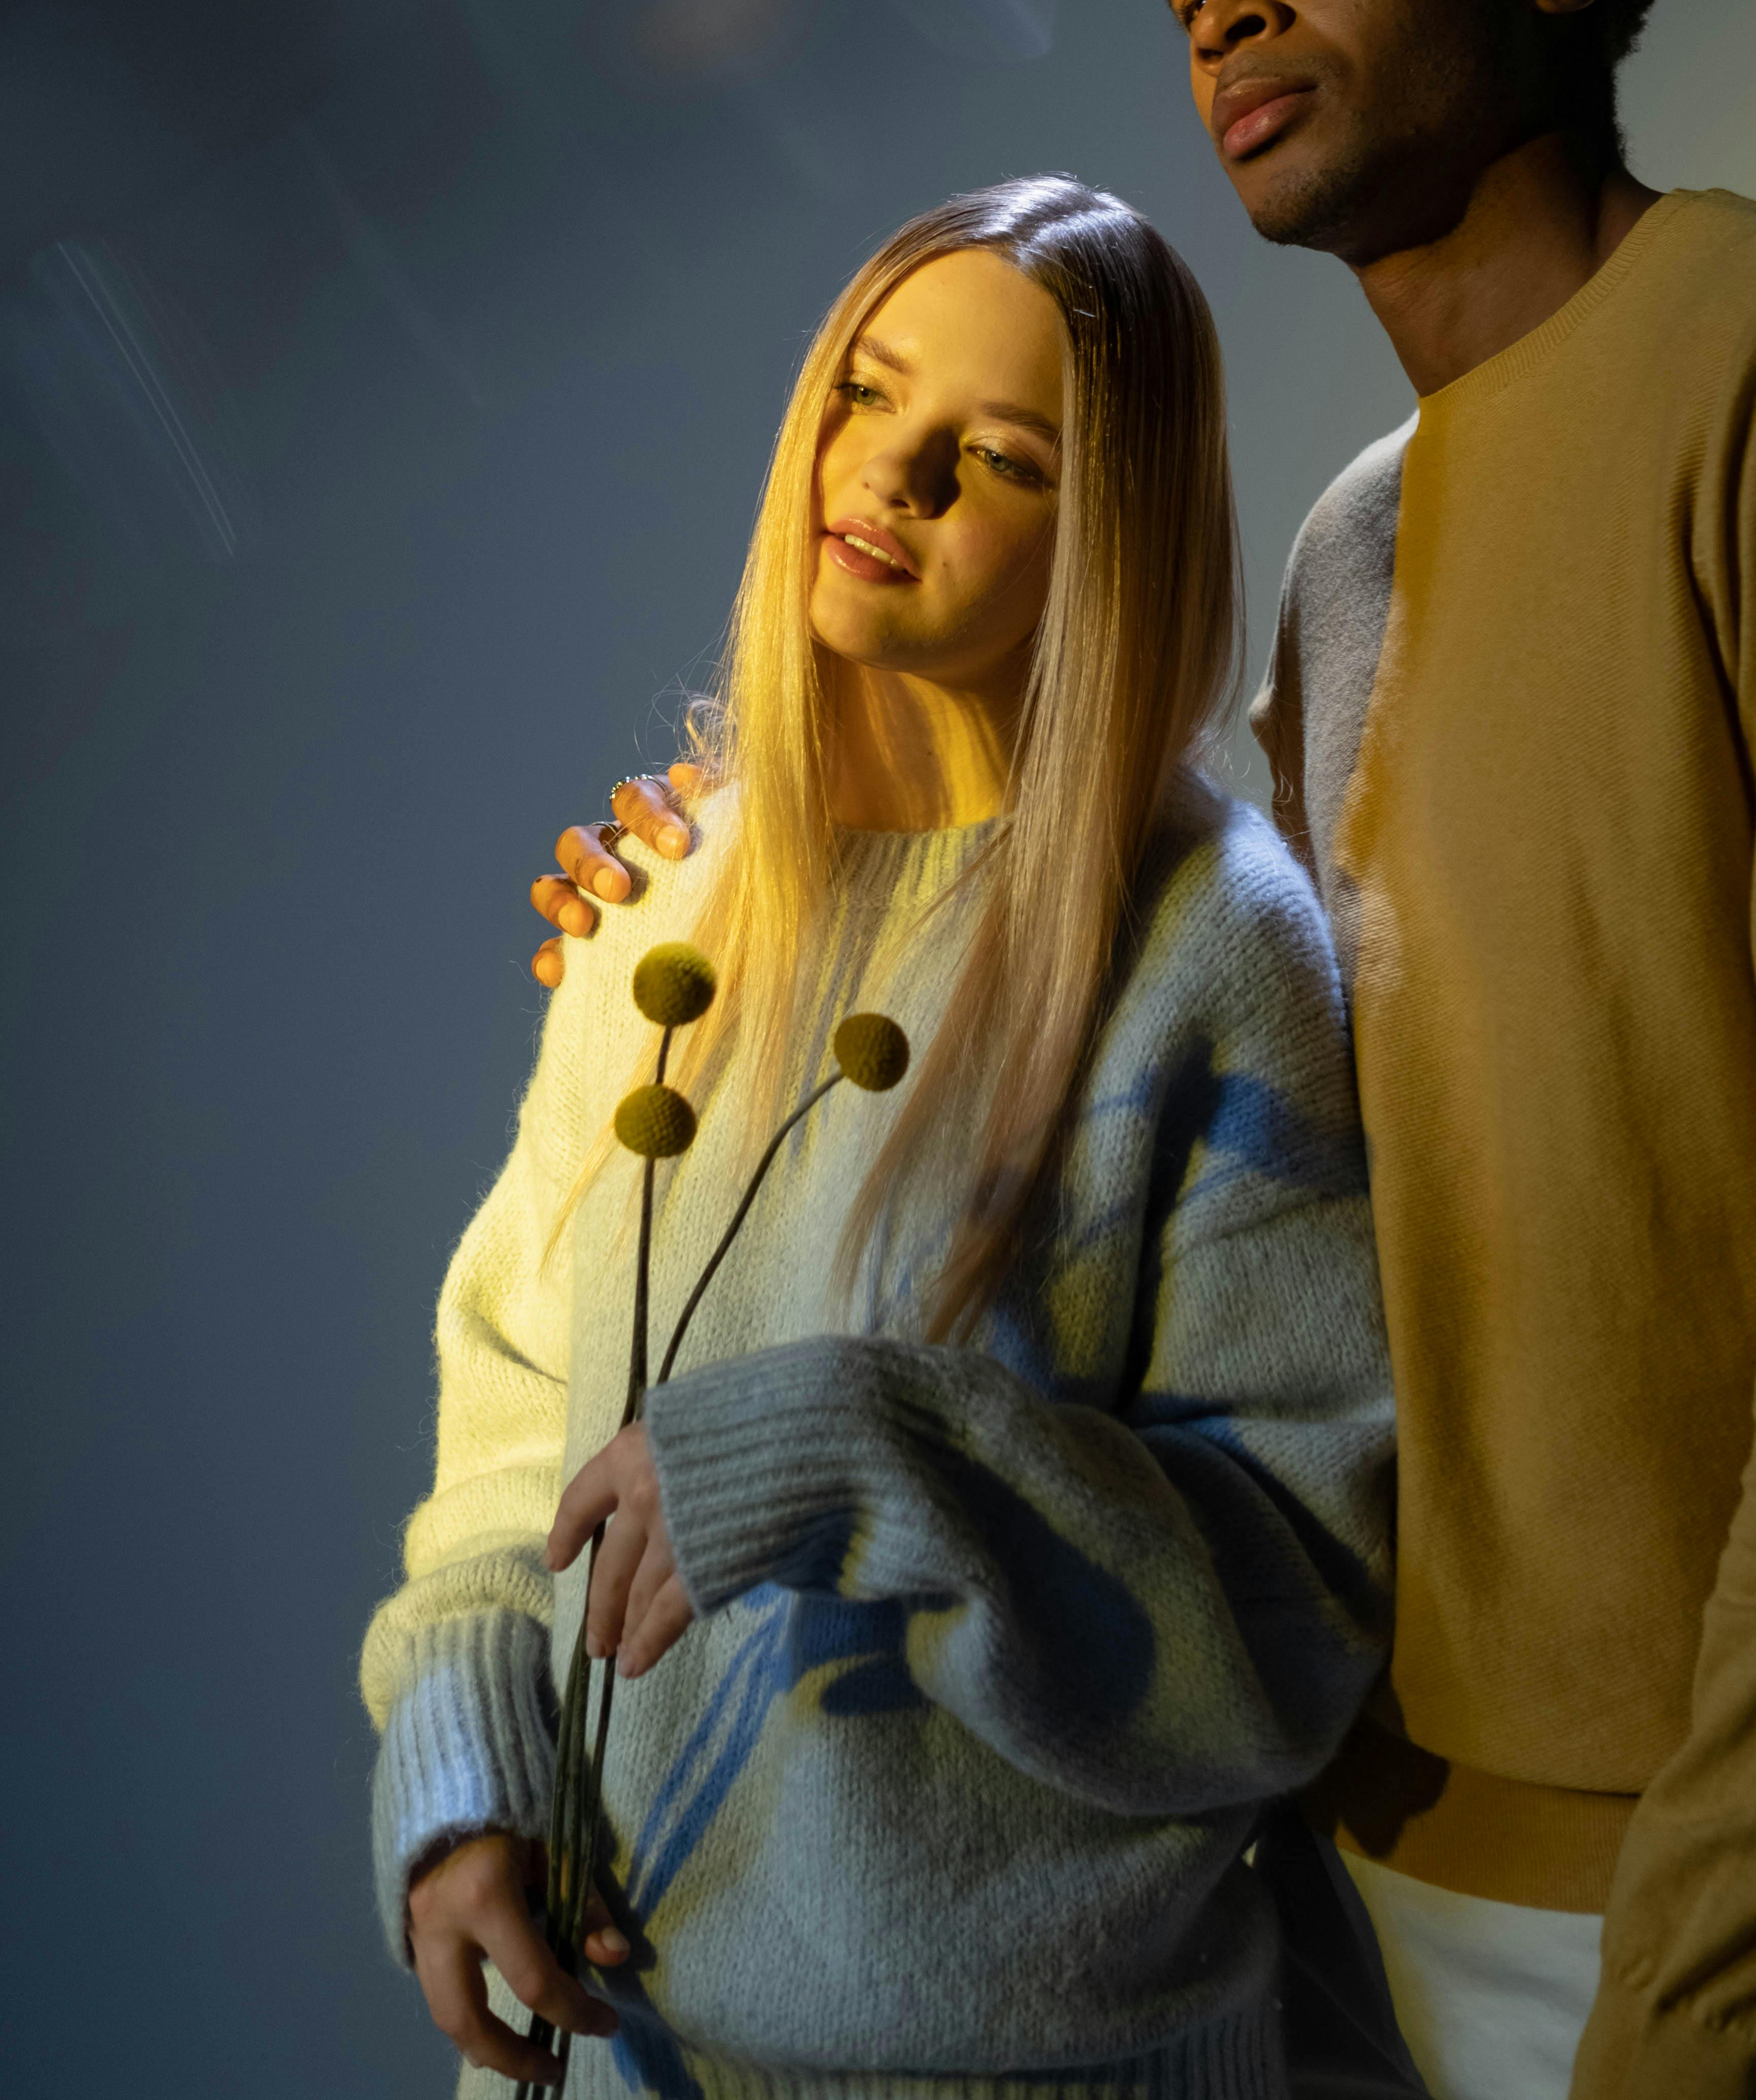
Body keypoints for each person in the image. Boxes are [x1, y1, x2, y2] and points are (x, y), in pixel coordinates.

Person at [542, 0, 1756, 2100]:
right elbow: (1231, 1113)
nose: (1228, 11)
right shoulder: (1350, 556)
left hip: (1749, 1905)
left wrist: (1719, 1943)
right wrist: (732, 880)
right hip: (1367, 1890)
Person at [363, 174, 1399, 2099]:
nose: (894, 477)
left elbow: (1296, 1603)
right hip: (612, 2050)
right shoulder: (673, 902)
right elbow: (514, 1436)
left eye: (994, 457)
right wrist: (465, 1785)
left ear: (1113, 534)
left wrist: (855, 1445)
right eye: (867, 392)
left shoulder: (1210, 945)